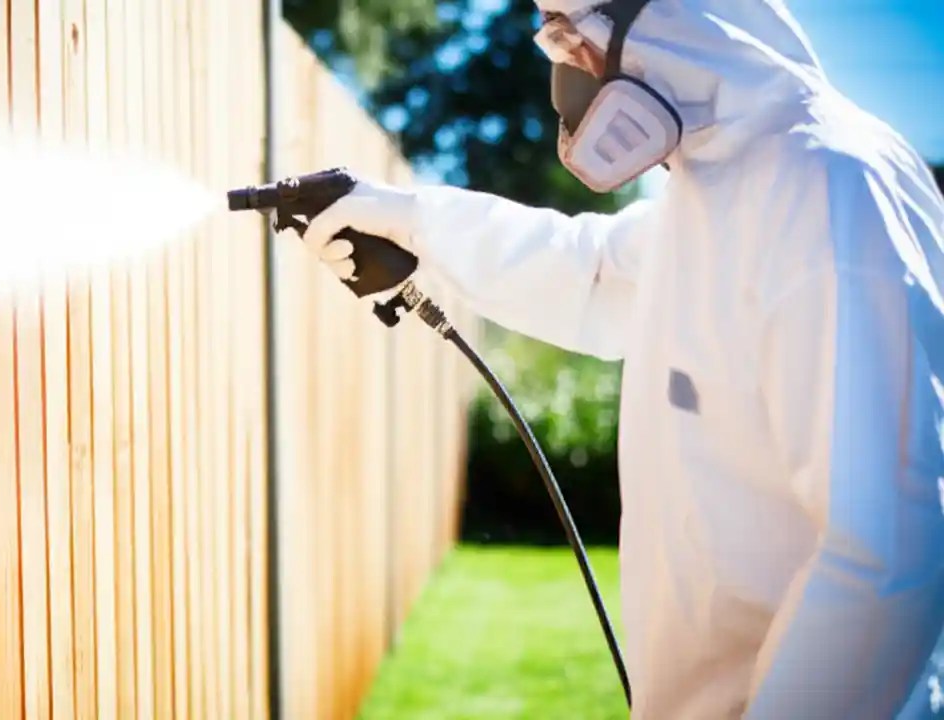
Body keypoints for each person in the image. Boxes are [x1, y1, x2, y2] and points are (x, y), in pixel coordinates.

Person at [296, 0, 944, 717]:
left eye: (575, 31)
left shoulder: (824, 187)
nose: (566, 64)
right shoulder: (721, 186)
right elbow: (596, 273)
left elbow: (888, 552)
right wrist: (407, 219)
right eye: (553, 36)